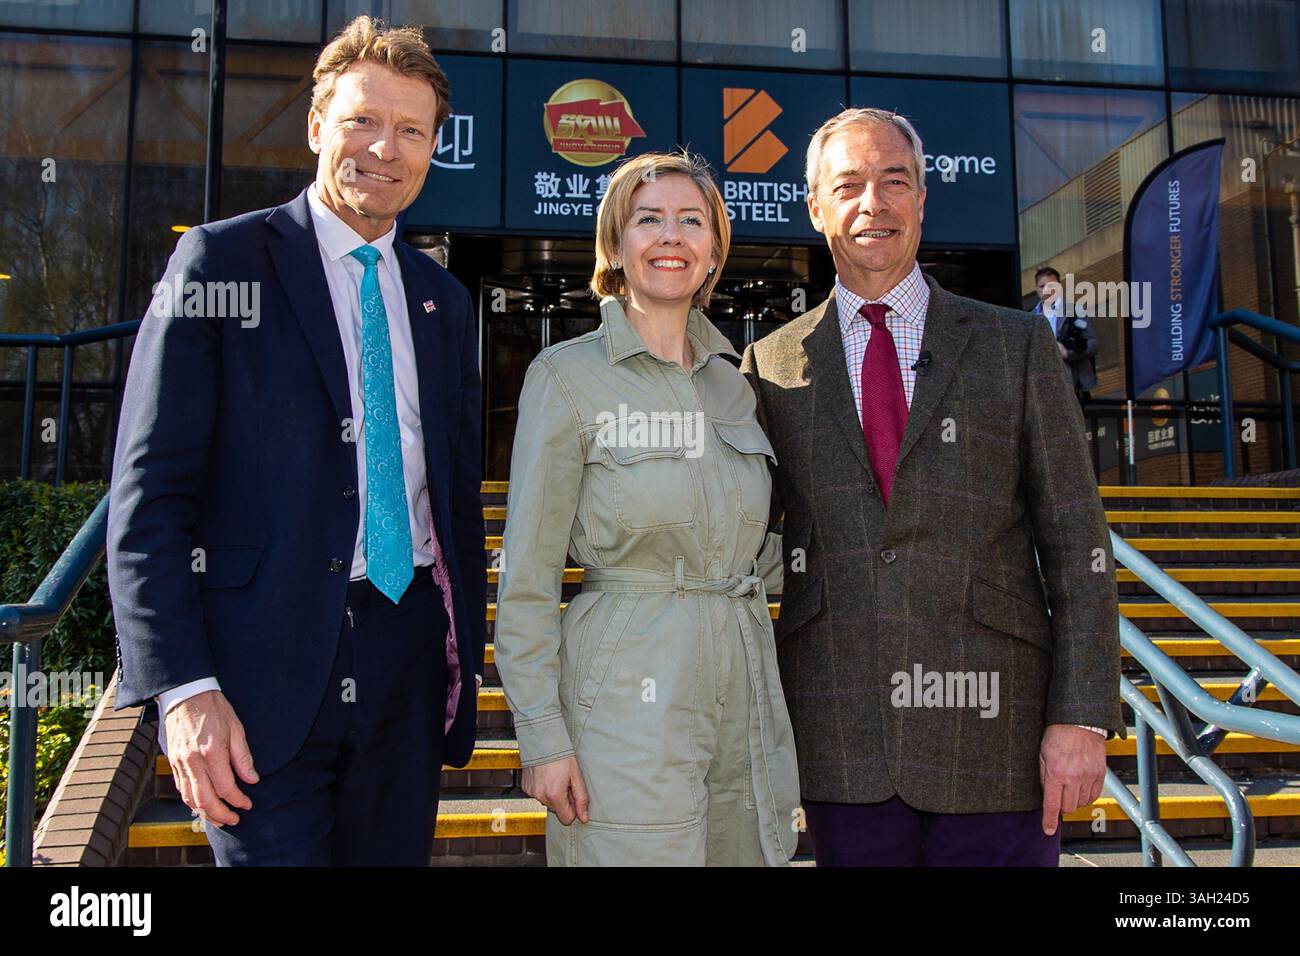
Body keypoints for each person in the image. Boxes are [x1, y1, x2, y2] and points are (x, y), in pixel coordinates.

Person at [106, 16, 487, 866]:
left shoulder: (444, 301)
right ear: (317, 126)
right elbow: (149, 496)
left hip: (405, 663)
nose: (385, 147)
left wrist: (463, 661)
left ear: (433, 148)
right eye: (362, 120)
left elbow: (454, 501)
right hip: (256, 679)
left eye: (412, 130)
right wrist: (183, 686)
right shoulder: (218, 263)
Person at [740, 108, 1123, 867]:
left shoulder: (1014, 347)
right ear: (815, 207)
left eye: (894, 182)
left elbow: (1078, 541)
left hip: (997, 734)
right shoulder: (769, 366)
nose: (871, 204)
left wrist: (1082, 715)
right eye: (847, 185)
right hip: (841, 738)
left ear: (922, 199)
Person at [494, 150, 799, 867]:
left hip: (743, 699)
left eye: (691, 221)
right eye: (648, 220)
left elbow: (759, 553)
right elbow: (528, 580)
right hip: (623, 703)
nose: (671, 236)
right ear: (616, 245)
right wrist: (541, 735)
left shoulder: (738, 384)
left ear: (715, 249)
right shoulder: (566, 378)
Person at [1031, 265, 1099, 404]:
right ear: (1036, 289)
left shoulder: (1075, 310)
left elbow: (1093, 344)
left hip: (1073, 385)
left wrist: (1068, 353)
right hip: (1042, 387)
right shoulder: (1029, 318)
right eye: (1042, 286)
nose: (1047, 290)